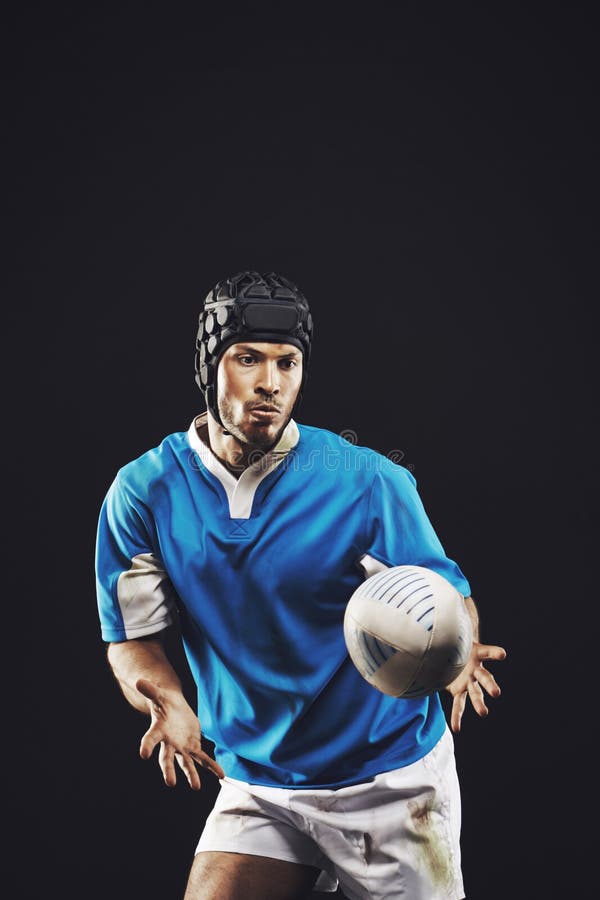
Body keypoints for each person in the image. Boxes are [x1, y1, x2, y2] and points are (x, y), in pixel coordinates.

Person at [95, 270, 506, 900]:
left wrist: (458, 649)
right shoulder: (144, 491)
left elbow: (444, 597)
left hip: (387, 781)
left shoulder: (366, 480)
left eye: (288, 363)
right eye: (247, 359)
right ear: (210, 366)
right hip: (261, 781)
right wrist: (168, 702)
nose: (270, 383)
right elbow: (133, 639)